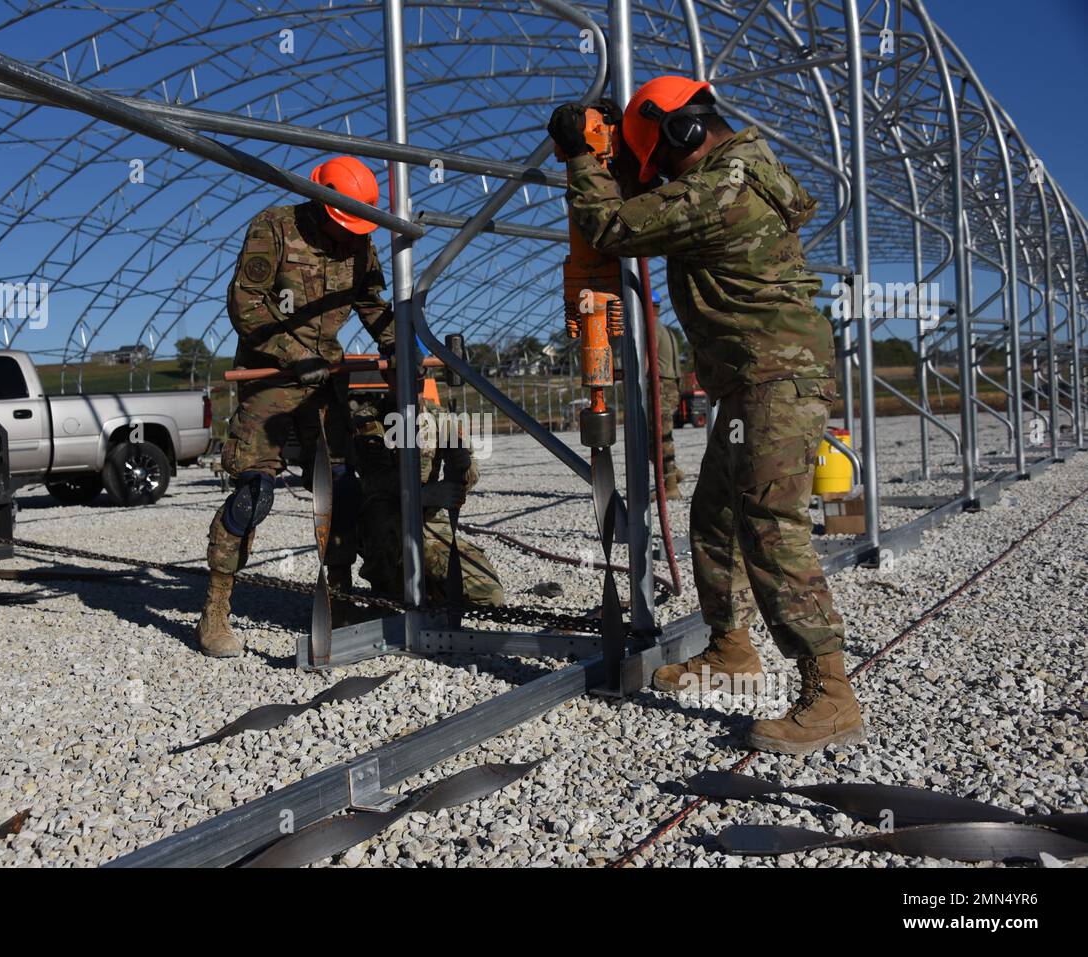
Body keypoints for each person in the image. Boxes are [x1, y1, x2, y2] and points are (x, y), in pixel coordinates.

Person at [547, 77, 865, 754]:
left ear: (686, 132)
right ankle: (731, 648)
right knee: (715, 515)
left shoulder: (722, 189)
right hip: (755, 378)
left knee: (770, 526)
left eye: (658, 160)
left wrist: (582, 160)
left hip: (774, 378)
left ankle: (831, 692)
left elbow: (614, 225)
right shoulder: (733, 171)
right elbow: (651, 205)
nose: (655, 175)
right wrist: (619, 149)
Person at [198, 156, 394, 657]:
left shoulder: (360, 238)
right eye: (339, 222)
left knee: (339, 490)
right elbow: (247, 302)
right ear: (319, 199)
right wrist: (294, 353)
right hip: (271, 375)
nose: (344, 234)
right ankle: (216, 610)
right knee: (253, 494)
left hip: (325, 383)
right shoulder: (276, 227)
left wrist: (397, 344)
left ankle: (340, 594)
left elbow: (371, 301)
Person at [350, 369, 504, 608]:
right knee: (395, 602)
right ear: (388, 378)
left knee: (488, 596)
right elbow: (373, 480)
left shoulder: (440, 417)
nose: (414, 385)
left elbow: (469, 475)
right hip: (386, 522)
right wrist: (418, 495)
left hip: (430, 519)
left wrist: (462, 468)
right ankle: (388, 589)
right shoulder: (370, 419)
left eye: (419, 379)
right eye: (403, 376)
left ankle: (433, 590)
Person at [653, 315, 684, 500]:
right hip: (671, 386)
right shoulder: (667, 330)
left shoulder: (652, 327)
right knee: (658, 436)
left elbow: (648, 358)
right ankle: (672, 473)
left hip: (661, 386)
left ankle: (671, 485)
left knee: (658, 437)